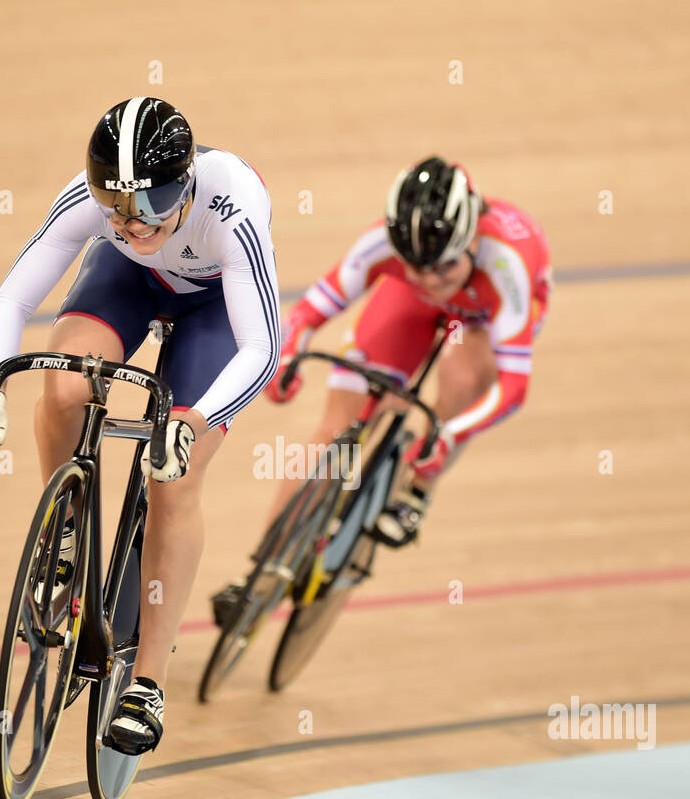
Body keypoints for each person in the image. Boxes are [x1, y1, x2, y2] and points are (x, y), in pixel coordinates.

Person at [0, 96, 280, 754]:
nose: (134, 224)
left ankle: (148, 683)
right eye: (116, 208)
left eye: (151, 207)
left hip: (216, 311)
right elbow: (15, 298)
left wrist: (195, 420)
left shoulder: (233, 204)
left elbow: (262, 347)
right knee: (65, 385)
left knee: (175, 475)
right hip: (128, 286)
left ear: (187, 183)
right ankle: (66, 534)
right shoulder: (88, 201)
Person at [212, 155, 549, 624]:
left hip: (484, 315)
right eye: (416, 266)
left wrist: (447, 435)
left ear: (471, 240)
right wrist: (285, 358)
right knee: (338, 425)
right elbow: (309, 311)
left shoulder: (506, 263)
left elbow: (513, 387)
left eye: (443, 266)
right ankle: (262, 572)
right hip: (411, 306)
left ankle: (416, 493)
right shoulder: (388, 245)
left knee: (461, 380)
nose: (430, 279)